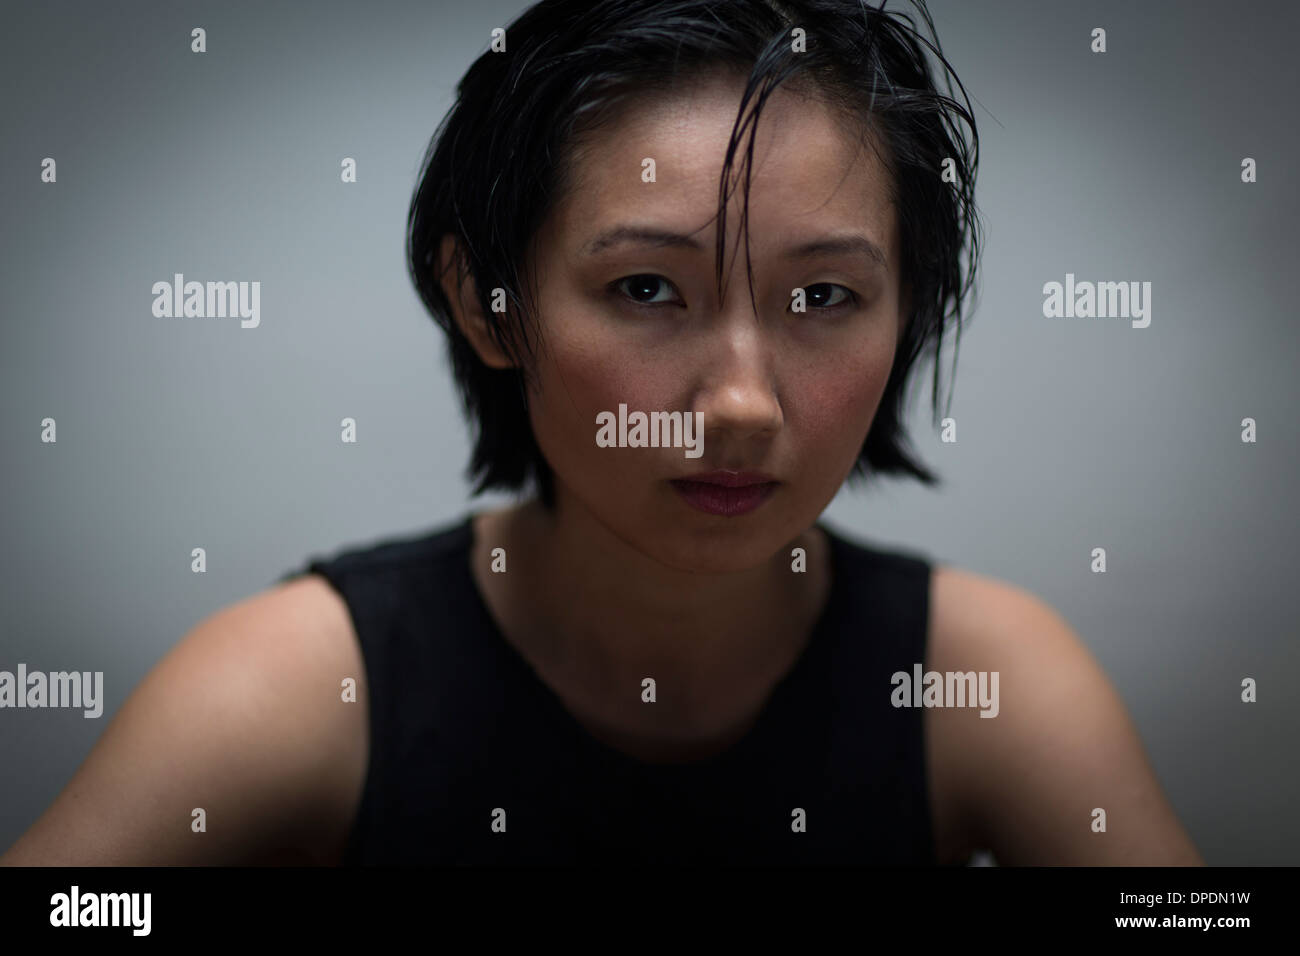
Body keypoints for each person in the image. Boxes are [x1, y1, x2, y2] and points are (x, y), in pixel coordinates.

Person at [1, 0, 1202, 866]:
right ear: (487, 303)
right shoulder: (306, 680)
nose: (741, 404)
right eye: (645, 288)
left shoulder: (980, 676)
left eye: (822, 296)